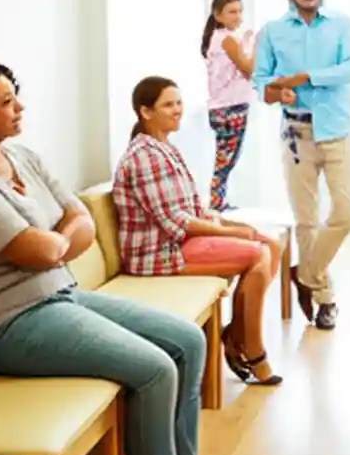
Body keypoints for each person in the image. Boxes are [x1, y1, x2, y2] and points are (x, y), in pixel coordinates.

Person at [0, 63, 206, 455]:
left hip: (61, 296)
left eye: (14, 95)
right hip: (12, 323)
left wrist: (58, 242)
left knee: (188, 340)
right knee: (155, 370)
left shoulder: (22, 157)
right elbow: (37, 252)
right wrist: (57, 241)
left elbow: (82, 223)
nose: (20, 106)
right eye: (6, 102)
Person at [113, 76, 284, 386]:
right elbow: (176, 222)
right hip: (159, 253)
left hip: (178, 242)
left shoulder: (164, 147)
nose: (177, 109)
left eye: (178, 102)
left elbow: (192, 208)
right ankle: (253, 351)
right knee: (257, 253)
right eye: (168, 104)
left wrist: (231, 225)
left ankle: (236, 336)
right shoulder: (145, 156)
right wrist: (232, 235)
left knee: (271, 244)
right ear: (145, 112)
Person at [252, 0, 350, 331]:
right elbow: (261, 82)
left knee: (346, 216)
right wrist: (275, 92)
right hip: (296, 133)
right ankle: (324, 297)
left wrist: (304, 77)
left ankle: (306, 273)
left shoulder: (342, 25)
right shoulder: (271, 32)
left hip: (338, 131)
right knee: (306, 220)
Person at [201, 0, 256, 212]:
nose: (238, 16)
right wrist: (257, 46)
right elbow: (248, 70)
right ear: (218, 15)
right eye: (232, 12)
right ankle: (216, 206)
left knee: (225, 159)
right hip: (231, 109)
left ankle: (218, 204)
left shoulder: (219, 39)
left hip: (222, 108)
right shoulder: (226, 40)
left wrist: (245, 41)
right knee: (225, 162)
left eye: (240, 11)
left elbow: (232, 69)